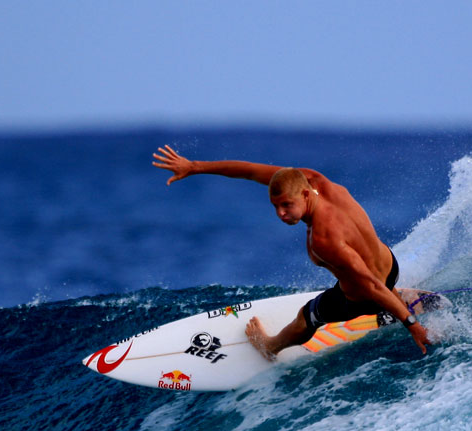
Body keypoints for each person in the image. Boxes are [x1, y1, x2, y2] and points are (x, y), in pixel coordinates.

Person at [152, 145, 430, 360]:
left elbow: (369, 284)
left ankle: (271, 346)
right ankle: (396, 298)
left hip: (364, 294)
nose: (281, 214)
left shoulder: (324, 239)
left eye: (286, 206)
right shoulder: (312, 180)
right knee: (375, 281)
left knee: (306, 317)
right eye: (275, 206)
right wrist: (195, 166)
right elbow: (248, 170)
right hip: (389, 265)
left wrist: (413, 326)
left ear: (305, 196)